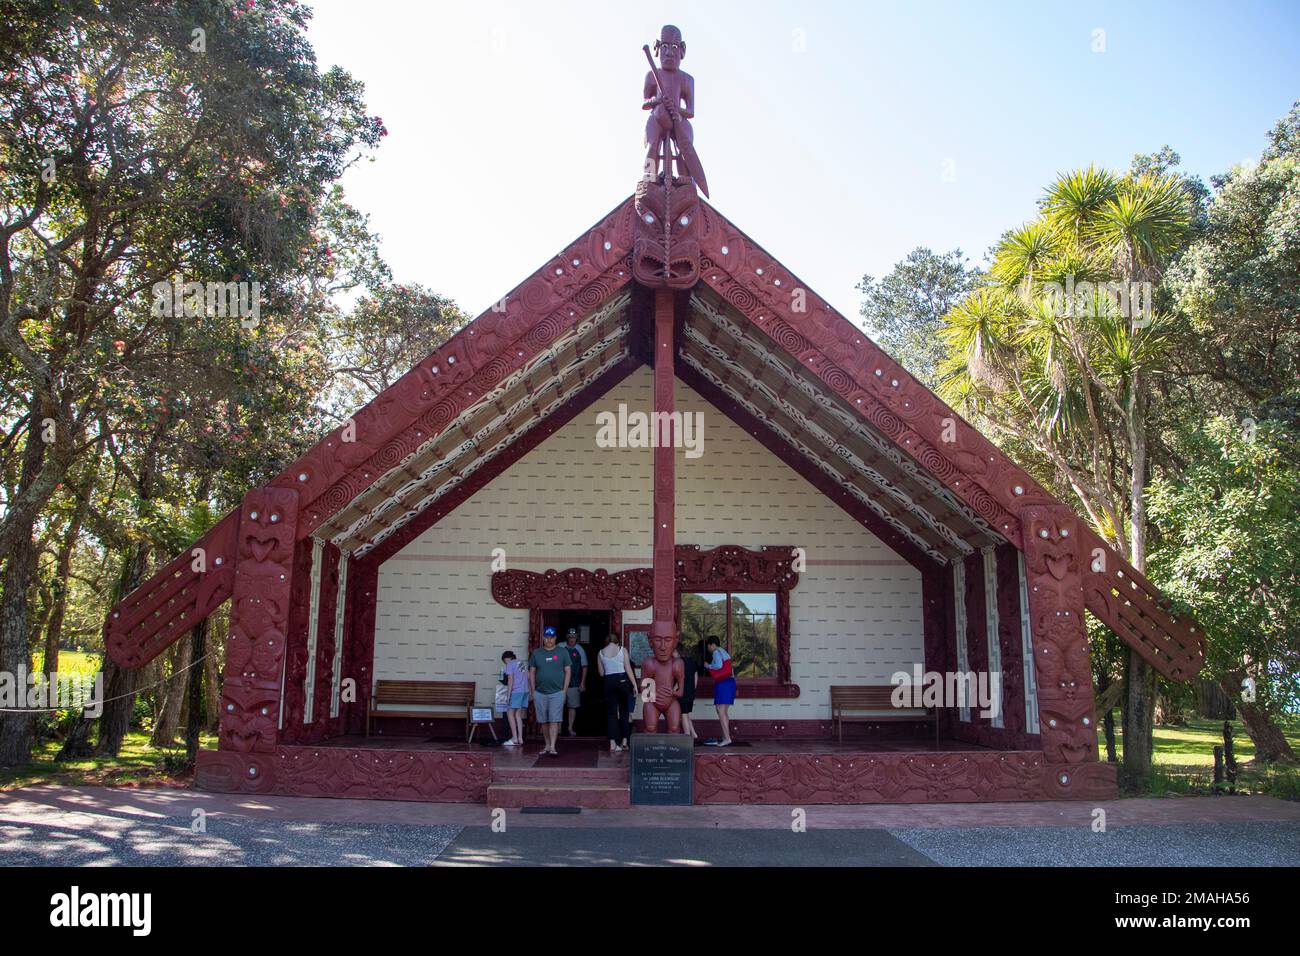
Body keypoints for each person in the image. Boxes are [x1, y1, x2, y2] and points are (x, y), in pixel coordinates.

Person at [529, 626, 570, 756]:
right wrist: (533, 689)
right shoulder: (537, 653)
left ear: (555, 638)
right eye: (547, 637)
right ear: (543, 638)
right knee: (543, 721)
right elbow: (532, 671)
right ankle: (547, 744)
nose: (549, 640)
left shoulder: (562, 652)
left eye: (552, 637)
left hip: (557, 692)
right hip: (540, 692)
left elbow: (568, 670)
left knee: (554, 720)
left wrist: (564, 690)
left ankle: (552, 746)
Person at [597, 632, 637, 752]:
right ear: (616, 642)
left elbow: (601, 673)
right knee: (624, 712)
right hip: (622, 679)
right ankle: (625, 741)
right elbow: (628, 668)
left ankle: (612, 743)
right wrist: (634, 684)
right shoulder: (622, 650)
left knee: (611, 713)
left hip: (609, 681)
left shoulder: (600, 653)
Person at [703, 635, 735, 747]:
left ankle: (727, 738)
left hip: (723, 683)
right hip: (730, 682)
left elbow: (718, 665)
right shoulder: (724, 652)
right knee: (723, 711)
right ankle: (725, 736)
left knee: (720, 712)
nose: (708, 648)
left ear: (712, 645)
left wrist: (708, 665)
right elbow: (731, 670)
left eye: (708, 646)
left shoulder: (716, 652)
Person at [562, 627, 587, 737]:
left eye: (574, 637)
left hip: (574, 682)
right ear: (567, 637)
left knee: (572, 707)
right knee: (558, 705)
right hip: (559, 683)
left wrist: (582, 682)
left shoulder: (579, 649)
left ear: (576, 638)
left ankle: (570, 728)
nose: (571, 639)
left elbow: (584, 667)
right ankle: (557, 728)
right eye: (570, 637)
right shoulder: (560, 647)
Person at [502, 650, 529, 747]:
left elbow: (510, 679)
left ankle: (514, 738)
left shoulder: (510, 664)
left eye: (505, 662)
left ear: (506, 659)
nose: (505, 664)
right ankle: (520, 738)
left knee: (510, 713)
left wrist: (508, 695)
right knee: (518, 714)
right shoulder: (521, 663)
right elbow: (527, 676)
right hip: (524, 690)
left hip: (516, 691)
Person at [675, 643, 701, 740]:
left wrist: (673, 690)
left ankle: (687, 737)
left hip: (682, 692)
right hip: (690, 692)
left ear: (677, 651)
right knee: (686, 713)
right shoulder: (691, 661)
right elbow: (695, 675)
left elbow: (680, 678)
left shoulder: (679, 662)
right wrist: (693, 689)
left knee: (683, 714)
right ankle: (693, 734)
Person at [495, 651, 513, 743]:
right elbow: (501, 680)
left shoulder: (518, 667)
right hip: (504, 692)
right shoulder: (504, 669)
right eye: (505, 662)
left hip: (514, 692)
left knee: (513, 714)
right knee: (505, 714)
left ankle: (513, 736)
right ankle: (505, 735)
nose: (507, 664)